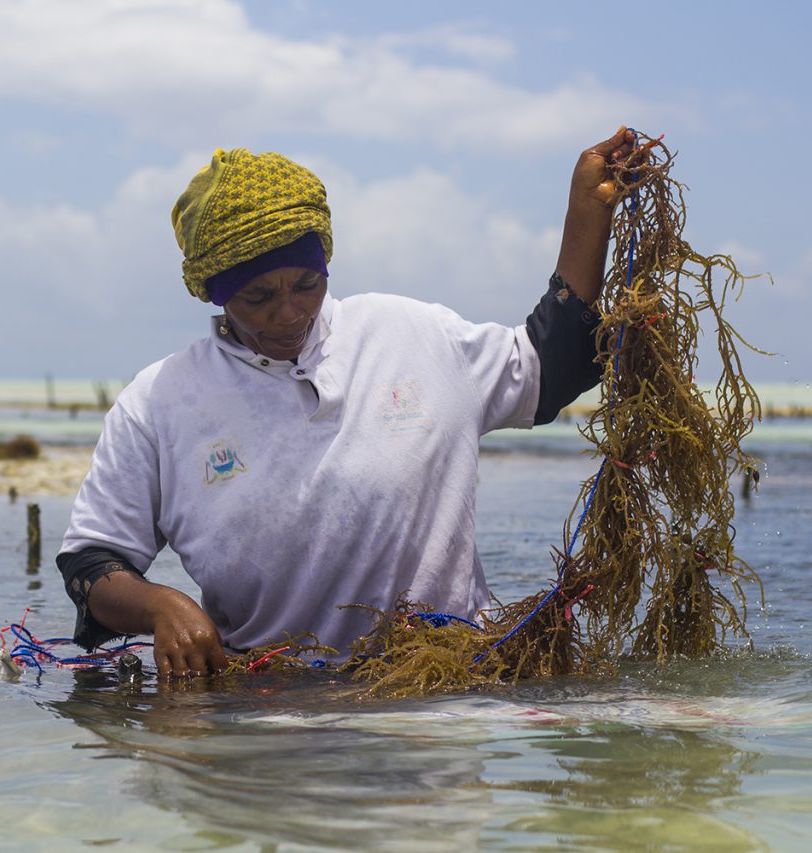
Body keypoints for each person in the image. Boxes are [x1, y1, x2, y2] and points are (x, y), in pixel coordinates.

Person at [57, 128, 638, 678]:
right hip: (267, 711)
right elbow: (92, 562)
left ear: (325, 263)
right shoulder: (159, 405)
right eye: (257, 296)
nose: (288, 313)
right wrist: (161, 606)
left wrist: (587, 210)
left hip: (443, 691)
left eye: (307, 285)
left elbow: (550, 363)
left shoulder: (414, 335)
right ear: (213, 292)